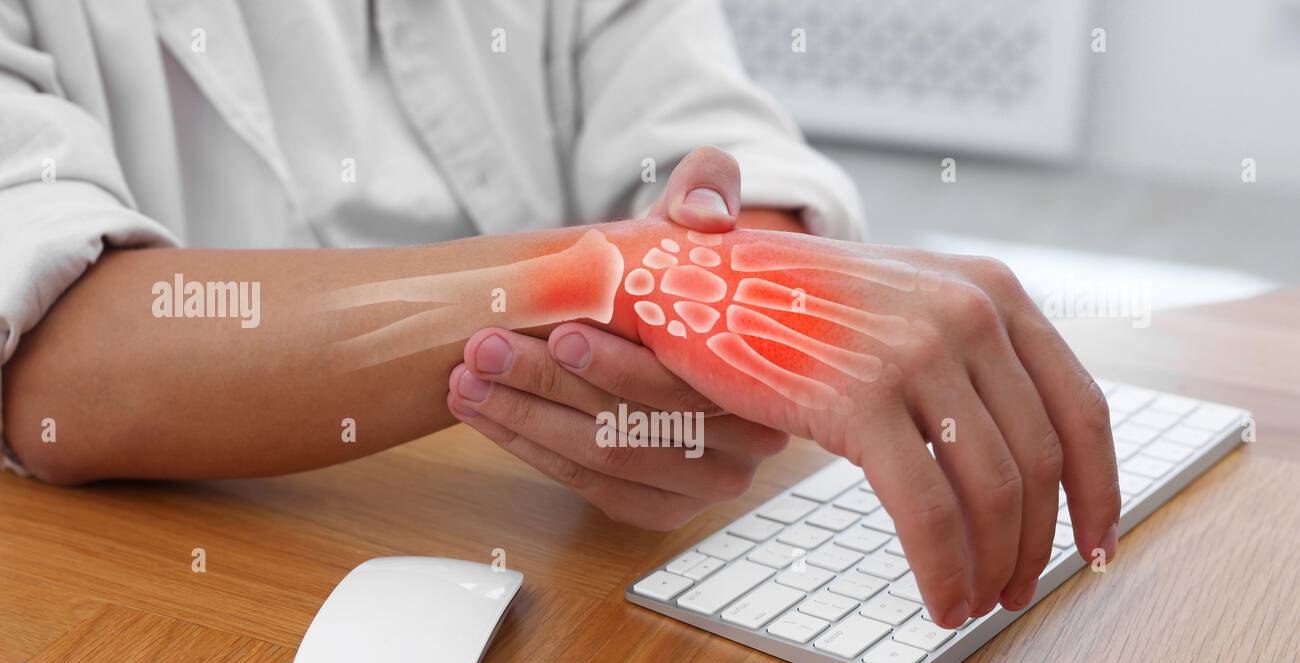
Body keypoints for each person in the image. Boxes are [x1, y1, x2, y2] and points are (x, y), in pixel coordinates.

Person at [0, 0, 1118, 627]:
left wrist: (737, 313)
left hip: (571, 576)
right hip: (184, 609)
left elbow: (714, 142)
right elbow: (61, 354)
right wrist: (616, 280)